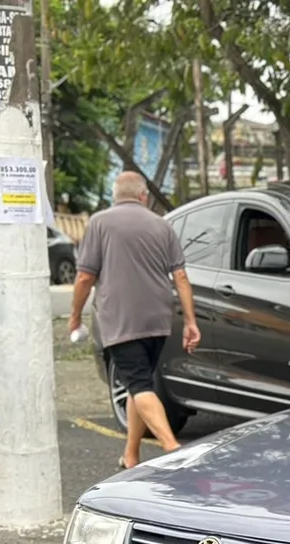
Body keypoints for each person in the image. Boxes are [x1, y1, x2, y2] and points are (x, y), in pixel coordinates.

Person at [67, 171, 201, 470]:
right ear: (144, 196)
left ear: (116, 196)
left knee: (140, 385)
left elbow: (86, 276)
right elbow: (180, 276)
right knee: (137, 385)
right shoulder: (162, 225)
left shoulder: (100, 222)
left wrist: (75, 317)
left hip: (121, 321)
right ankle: (131, 456)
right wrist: (191, 322)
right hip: (158, 320)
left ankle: (171, 447)